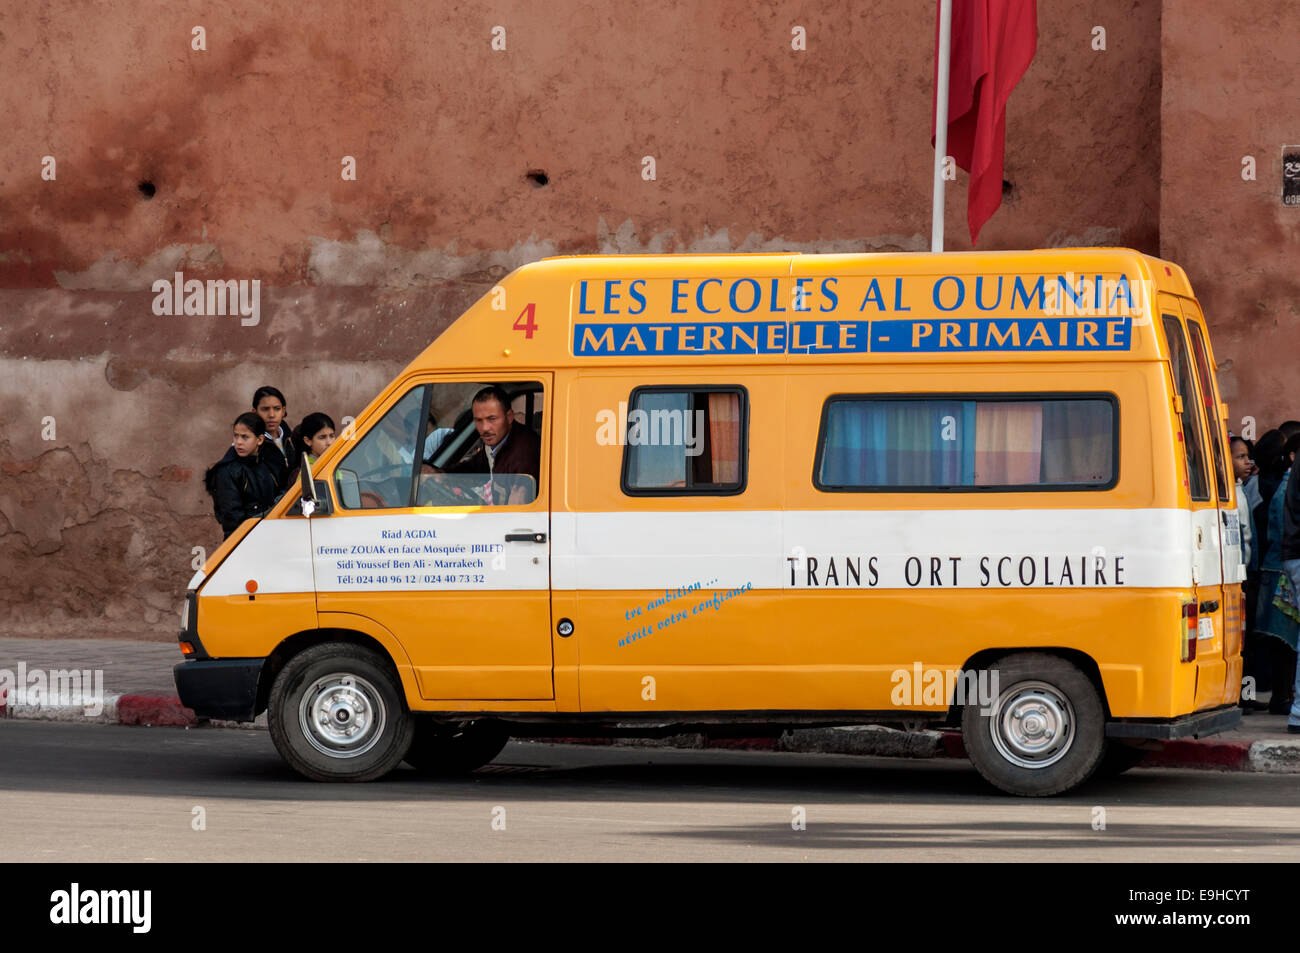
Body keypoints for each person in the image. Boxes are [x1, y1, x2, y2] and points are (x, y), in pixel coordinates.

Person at [431, 386, 540, 504]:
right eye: (478, 420)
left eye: (492, 419)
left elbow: (518, 510)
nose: (485, 428)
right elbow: (476, 468)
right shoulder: (497, 441)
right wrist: (442, 475)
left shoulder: (523, 455)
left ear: (509, 417)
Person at [1255, 431, 1299, 714]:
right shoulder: (1287, 488)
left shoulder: (1286, 484)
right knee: (1285, 641)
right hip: (1281, 569)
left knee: (1287, 642)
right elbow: (1285, 531)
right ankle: (1283, 699)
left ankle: (1284, 699)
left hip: (1280, 566)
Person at [204, 412, 279, 539]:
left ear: (259, 440)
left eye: (245, 437)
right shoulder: (227, 471)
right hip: (241, 540)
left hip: (268, 535)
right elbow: (232, 517)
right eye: (236, 436)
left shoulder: (267, 464)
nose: (238, 442)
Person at [253, 385, 300, 492]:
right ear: (254, 413)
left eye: (277, 409)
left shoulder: (291, 438)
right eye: (265, 409)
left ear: (283, 411)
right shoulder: (251, 444)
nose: (271, 415)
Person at [286, 412, 336, 488]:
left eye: (332, 436)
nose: (329, 442)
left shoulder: (335, 463)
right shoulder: (306, 472)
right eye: (322, 437)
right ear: (308, 441)